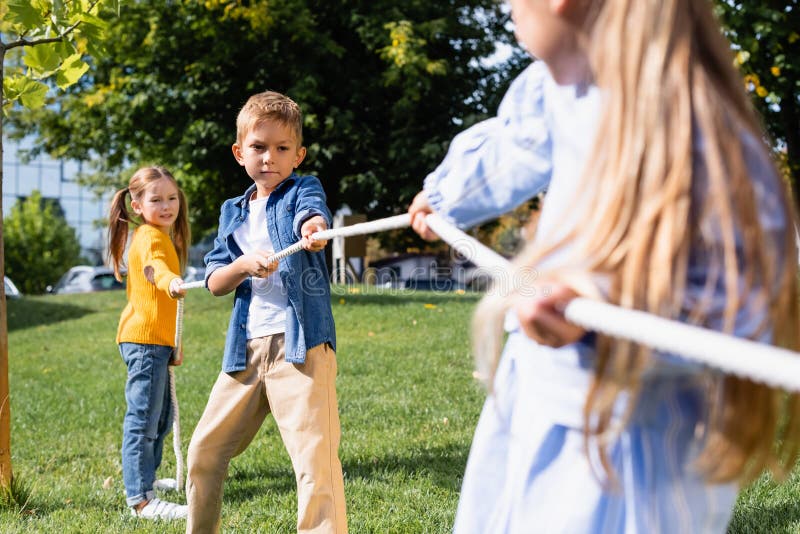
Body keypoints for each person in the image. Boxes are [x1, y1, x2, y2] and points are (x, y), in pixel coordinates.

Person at [409, 0, 800, 532]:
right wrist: (443, 196)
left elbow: (743, 290)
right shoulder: (558, 90)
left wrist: (605, 301)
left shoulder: (693, 123)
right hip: (537, 391)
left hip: (629, 448)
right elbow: (513, 143)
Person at [186, 90, 346, 534]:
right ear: (240, 153)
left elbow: (311, 214)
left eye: (281, 149)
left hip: (301, 349)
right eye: (258, 147)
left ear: (299, 155)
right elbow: (216, 281)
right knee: (204, 453)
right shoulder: (231, 213)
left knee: (315, 464)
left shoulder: (302, 188)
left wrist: (312, 229)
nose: (269, 158)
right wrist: (242, 264)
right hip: (246, 353)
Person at [108, 165, 191, 520]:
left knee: (160, 418)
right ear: (138, 205)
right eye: (156, 199)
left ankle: (148, 480)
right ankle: (141, 500)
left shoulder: (161, 234)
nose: (167, 205)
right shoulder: (150, 238)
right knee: (143, 419)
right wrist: (171, 280)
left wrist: (173, 345)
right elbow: (153, 270)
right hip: (142, 343)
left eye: (172, 198)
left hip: (154, 342)